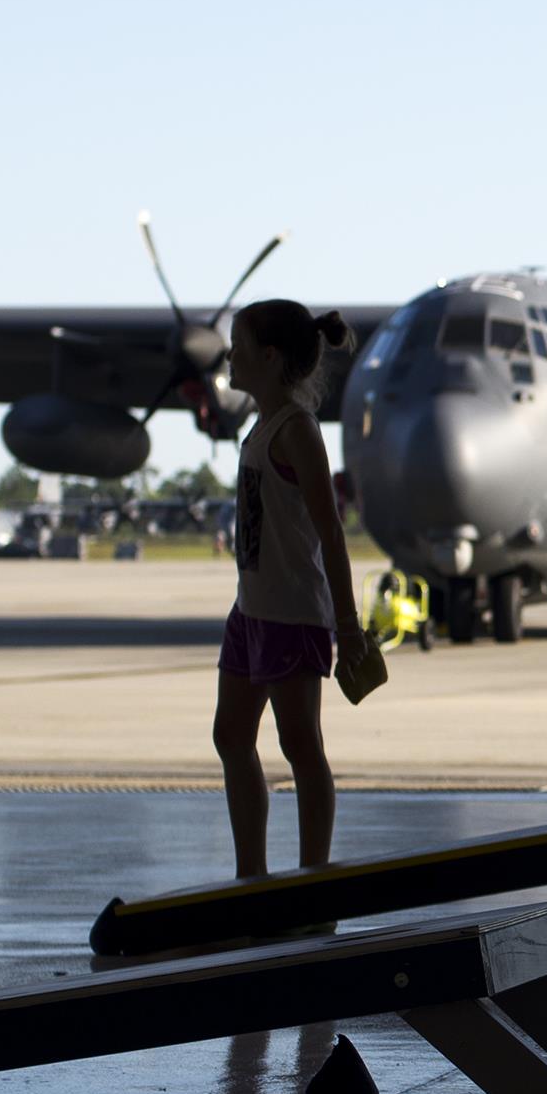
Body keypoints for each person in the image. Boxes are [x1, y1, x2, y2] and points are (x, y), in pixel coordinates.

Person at [214, 298, 367, 880]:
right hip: (251, 609)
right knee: (231, 735)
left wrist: (347, 628)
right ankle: (250, 878)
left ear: (270, 357)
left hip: (291, 613)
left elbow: (332, 535)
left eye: (240, 345)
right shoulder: (261, 426)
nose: (231, 355)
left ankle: (312, 886)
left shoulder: (297, 431)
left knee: (301, 747)